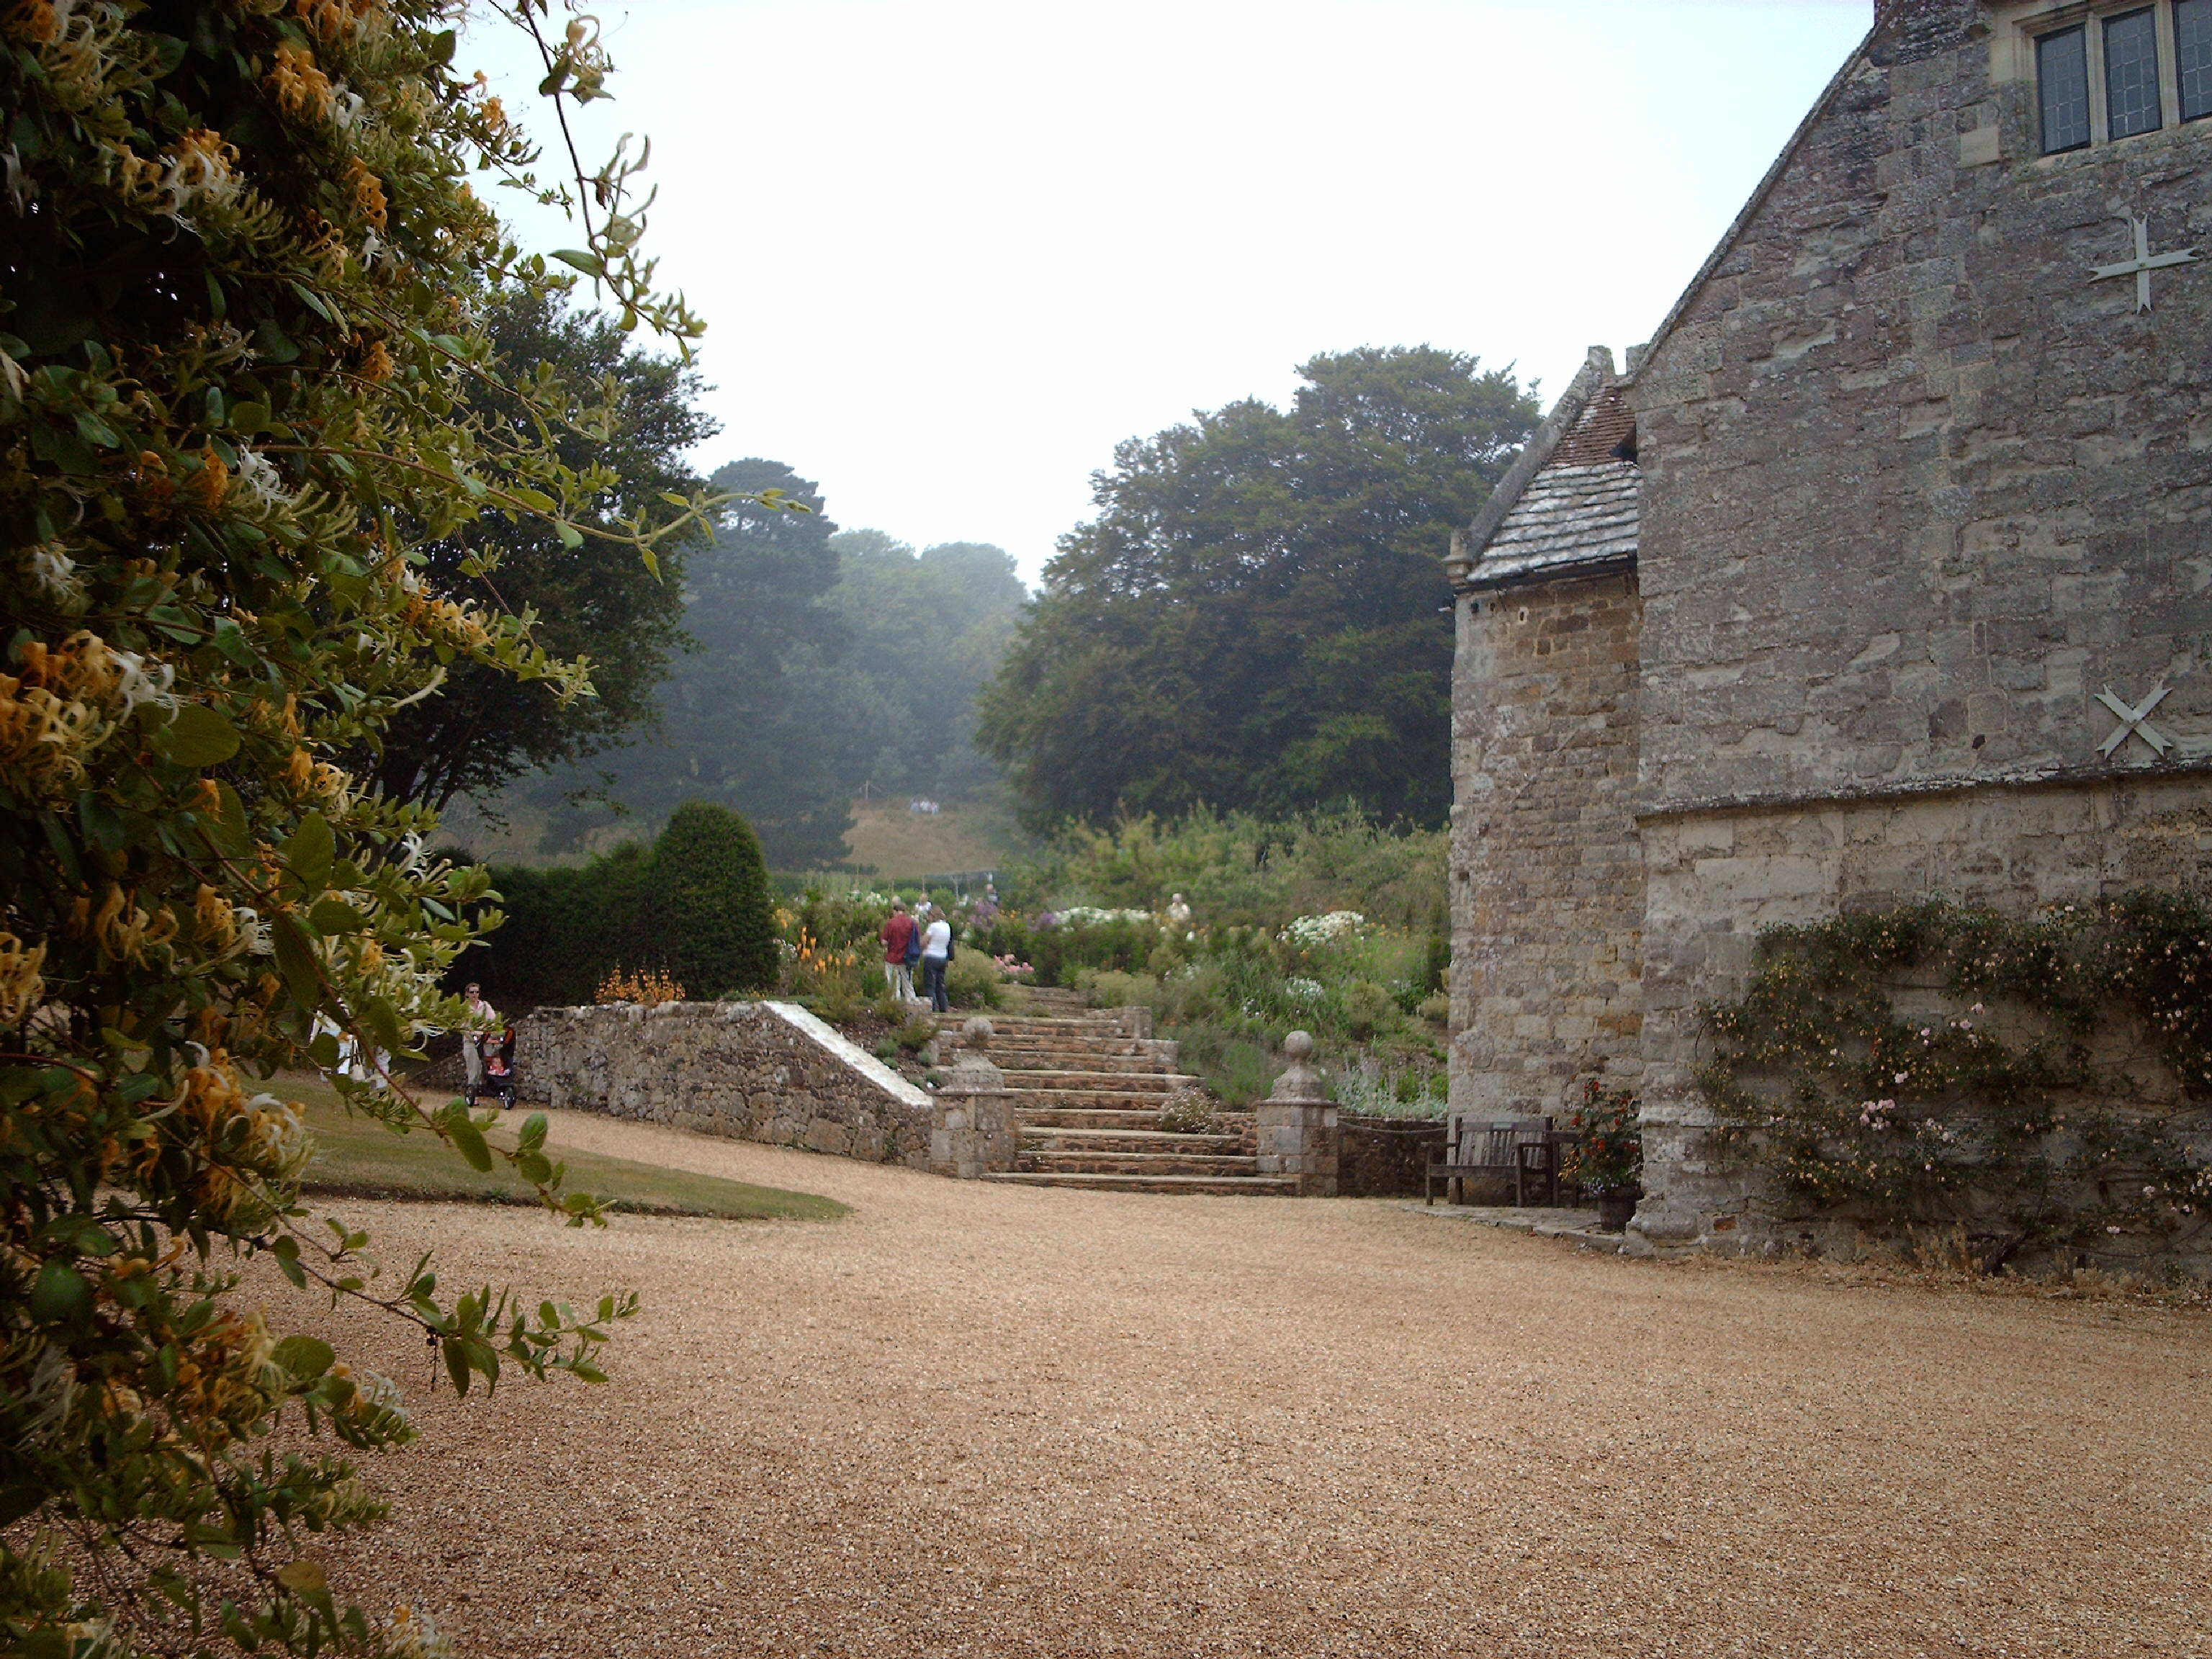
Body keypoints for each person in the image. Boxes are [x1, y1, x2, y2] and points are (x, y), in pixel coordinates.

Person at [461, 981, 496, 1095]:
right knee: (474, 1069)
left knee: (488, 1066)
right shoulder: (464, 1009)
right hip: (471, 1041)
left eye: (477, 992)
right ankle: (472, 1094)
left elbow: (493, 1021)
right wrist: (472, 1035)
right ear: (467, 994)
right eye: (472, 992)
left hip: (485, 1040)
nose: (474, 995)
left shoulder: (485, 1006)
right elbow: (461, 1026)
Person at [880, 901, 917, 1002]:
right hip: (907, 958)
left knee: (893, 985)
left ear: (895, 911)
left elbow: (884, 942)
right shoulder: (913, 923)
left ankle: (895, 1005)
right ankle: (912, 1006)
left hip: (892, 958)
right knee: (908, 985)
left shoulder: (891, 923)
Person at [919, 908, 953, 1013]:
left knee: (930, 985)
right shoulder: (947, 926)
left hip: (932, 956)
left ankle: (933, 1009)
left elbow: (924, 942)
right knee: (940, 985)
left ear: (933, 916)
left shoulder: (933, 927)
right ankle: (944, 1008)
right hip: (943, 957)